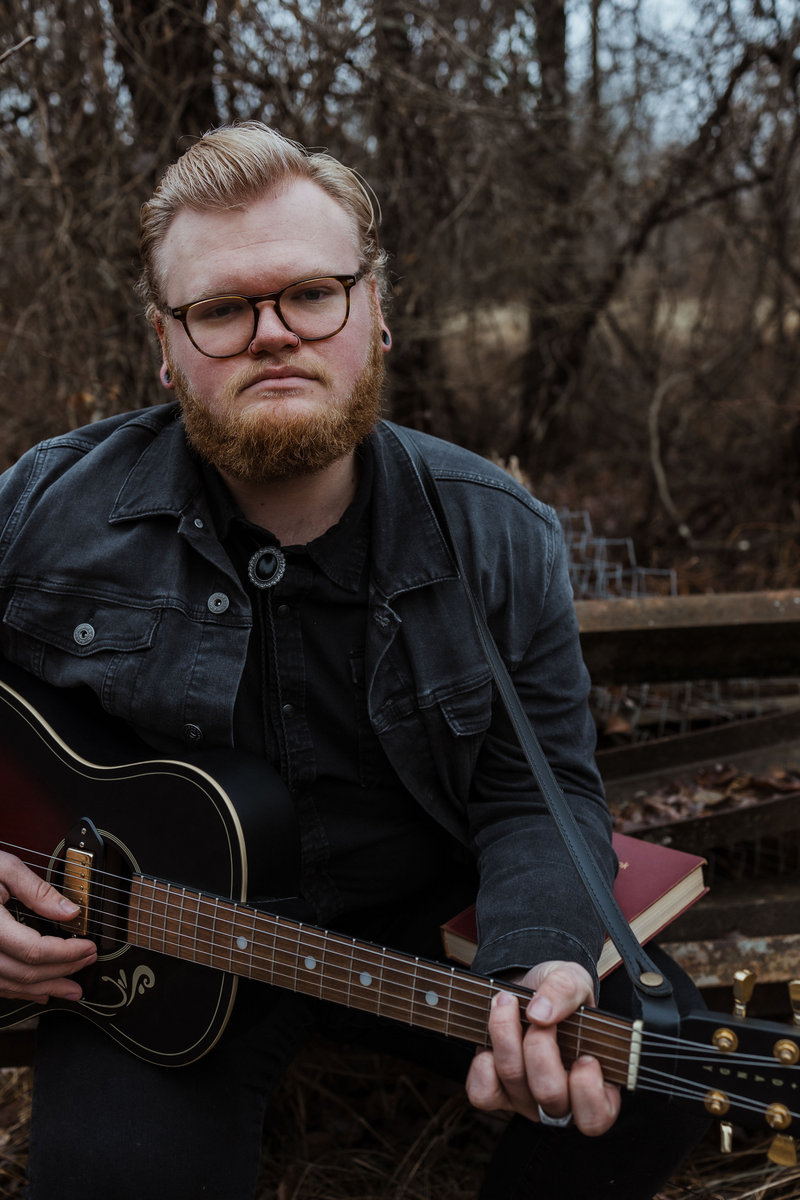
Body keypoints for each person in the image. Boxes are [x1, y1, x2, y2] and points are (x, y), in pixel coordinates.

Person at [0, 122, 706, 1199]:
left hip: (419, 927)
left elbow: (540, 789)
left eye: (311, 294)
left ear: (374, 311)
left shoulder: (496, 534)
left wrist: (541, 958)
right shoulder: (45, 509)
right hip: (149, 944)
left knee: (650, 1069)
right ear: (165, 343)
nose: (272, 334)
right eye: (222, 309)